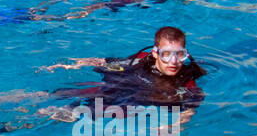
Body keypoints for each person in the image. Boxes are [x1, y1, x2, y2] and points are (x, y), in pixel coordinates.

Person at [42, 24, 206, 128]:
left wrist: (174, 127)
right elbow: (110, 62)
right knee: (64, 93)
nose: (173, 61)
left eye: (180, 55)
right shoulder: (142, 59)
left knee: (79, 112)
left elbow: (189, 109)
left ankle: (33, 121)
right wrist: (74, 64)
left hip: (130, 102)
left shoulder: (184, 80)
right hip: (115, 87)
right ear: (155, 53)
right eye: (167, 54)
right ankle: (32, 98)